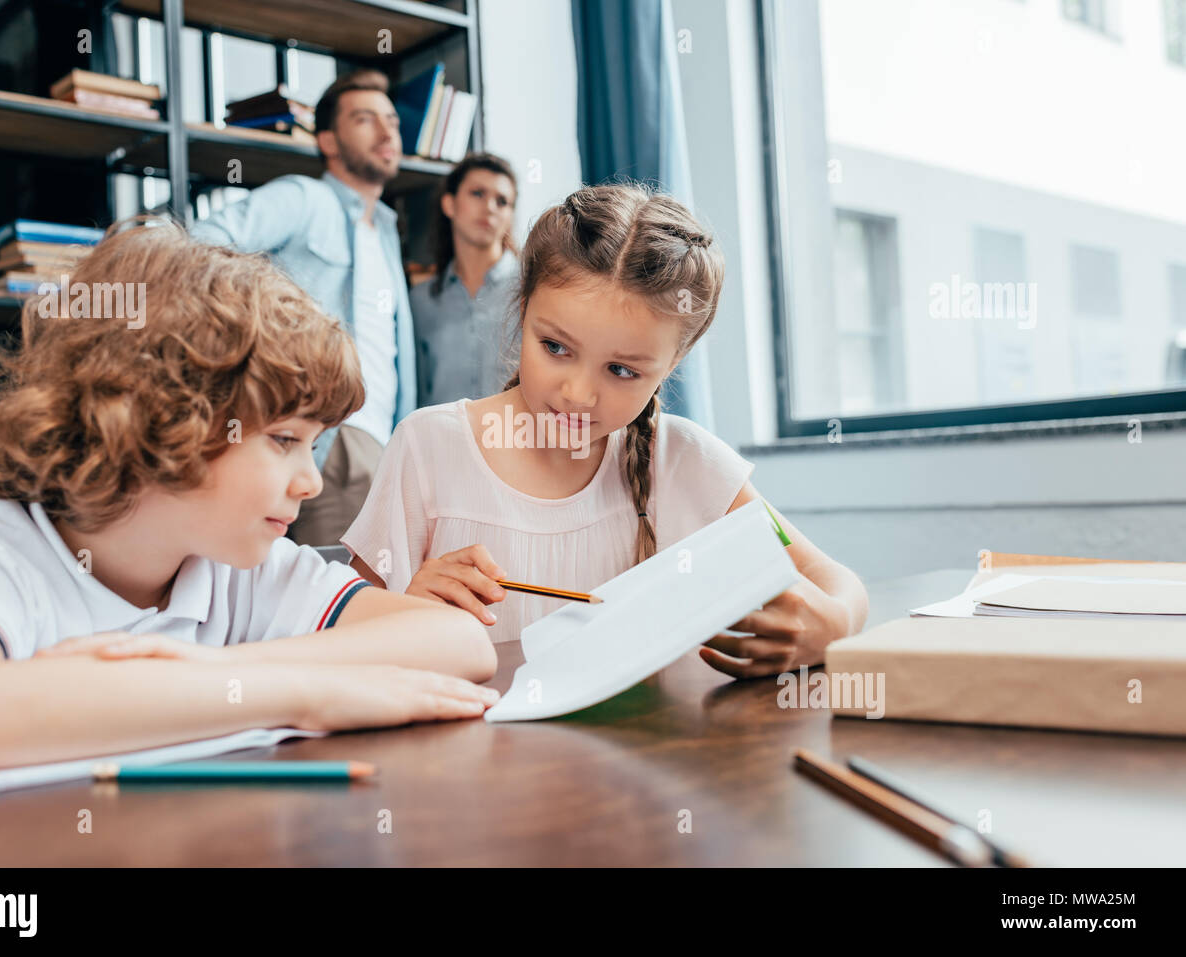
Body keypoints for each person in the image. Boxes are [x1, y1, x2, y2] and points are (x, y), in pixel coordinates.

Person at [0, 222, 497, 774]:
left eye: (312, 447)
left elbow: (460, 644)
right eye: (284, 439)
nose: (309, 483)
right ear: (158, 418)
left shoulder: (242, 571)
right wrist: (307, 692)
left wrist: (217, 675)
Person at [340, 183, 868, 678]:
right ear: (523, 311)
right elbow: (341, 641)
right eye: (556, 347)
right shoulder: (428, 447)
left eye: (621, 371)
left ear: (673, 362)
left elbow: (836, 582)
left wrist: (835, 623)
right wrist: (407, 612)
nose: (576, 393)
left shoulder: (684, 461)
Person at [191, 69, 414, 547]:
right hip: (332, 441)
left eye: (391, 119)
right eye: (365, 119)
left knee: (366, 600)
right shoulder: (304, 198)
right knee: (334, 607)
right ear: (329, 141)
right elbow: (198, 246)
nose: (386, 131)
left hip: (384, 444)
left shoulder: (388, 230)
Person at [411, 152, 520, 406]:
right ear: (449, 204)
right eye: (478, 193)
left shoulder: (533, 289)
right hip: (440, 442)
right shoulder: (421, 301)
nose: (490, 207)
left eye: (502, 201)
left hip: (516, 439)